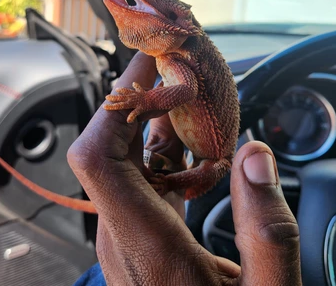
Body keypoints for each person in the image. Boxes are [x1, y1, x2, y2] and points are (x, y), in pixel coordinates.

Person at [68, 52, 302, 285]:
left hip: (213, 160)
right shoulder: (169, 56)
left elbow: (187, 89)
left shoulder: (179, 54)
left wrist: (146, 102)